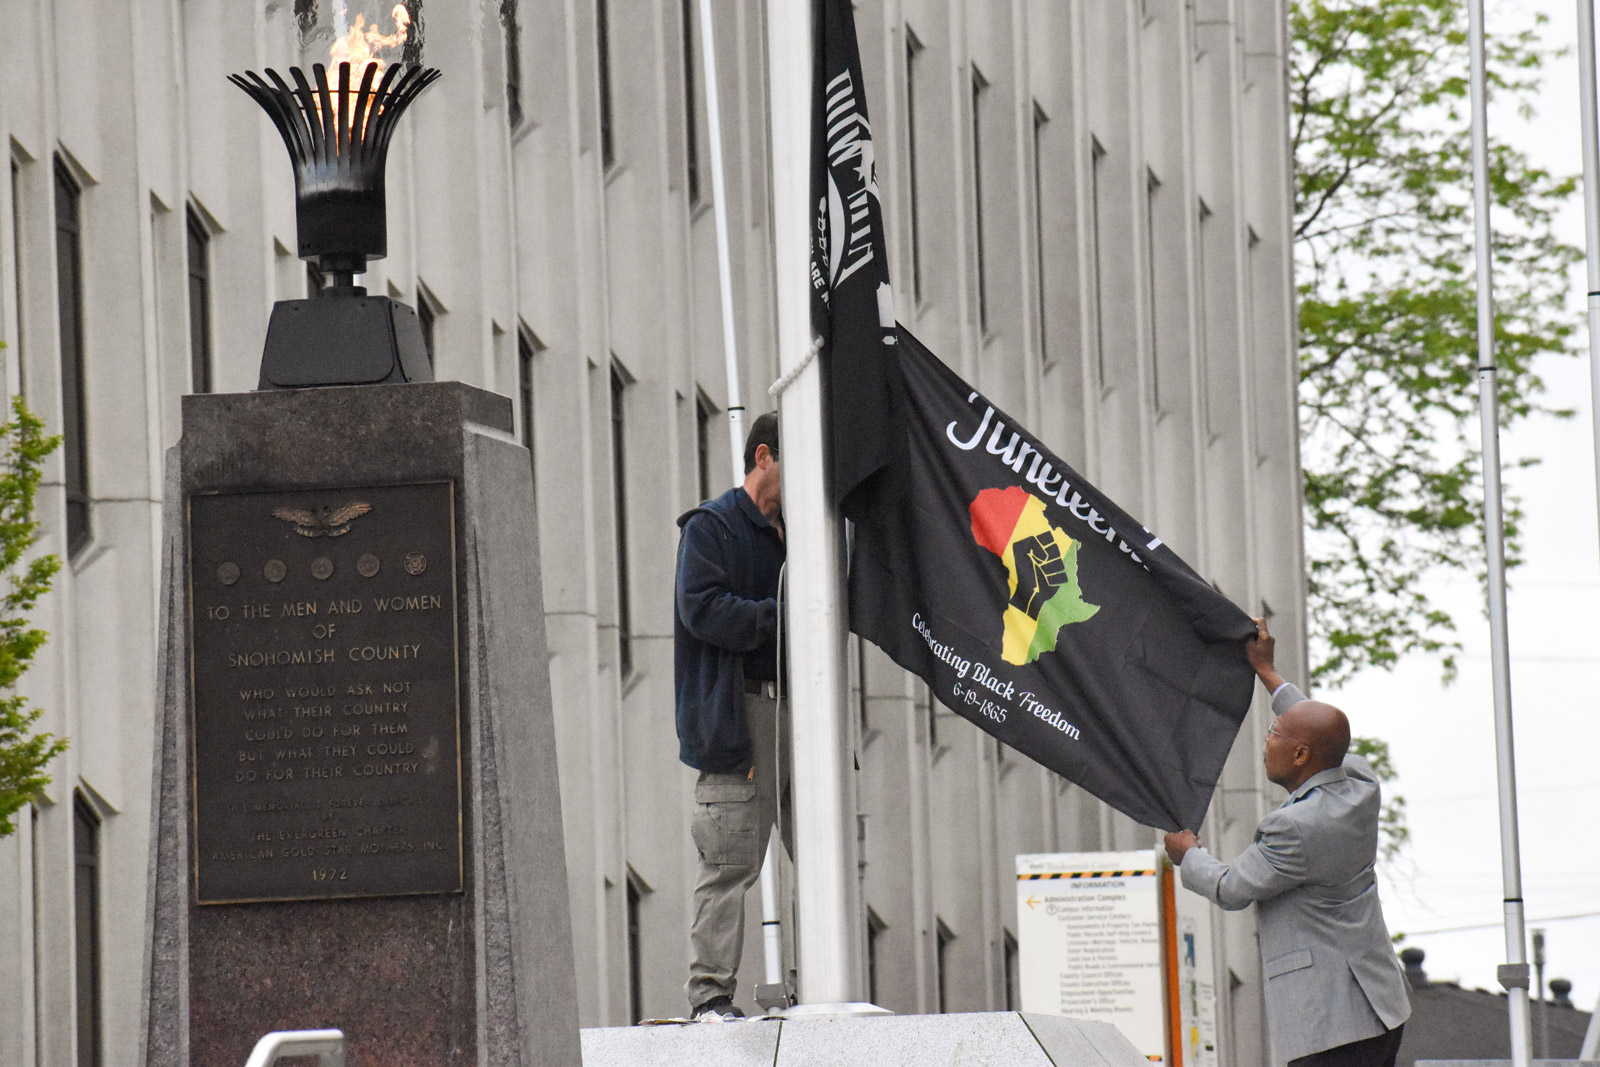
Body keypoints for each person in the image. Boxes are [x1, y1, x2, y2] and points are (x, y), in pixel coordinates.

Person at [1163, 619, 1411, 1067]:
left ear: (1300, 756)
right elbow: (1323, 730)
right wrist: (1267, 672)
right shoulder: (1359, 781)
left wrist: (1188, 855)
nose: (1266, 740)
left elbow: (1230, 888)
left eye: (1275, 734)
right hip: (1380, 1005)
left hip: (1332, 1024)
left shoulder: (1295, 828)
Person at [674, 412, 788, 1020]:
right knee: (729, 862)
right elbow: (701, 608)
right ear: (763, 456)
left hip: (801, 709)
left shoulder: (799, 533)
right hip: (741, 718)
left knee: (827, 854)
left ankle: (819, 986)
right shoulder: (711, 527)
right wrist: (782, 615)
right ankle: (711, 999)